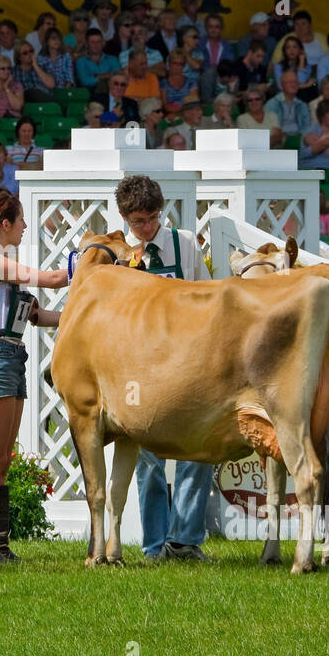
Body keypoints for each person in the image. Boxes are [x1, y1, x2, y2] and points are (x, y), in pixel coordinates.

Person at [115, 175, 214, 561]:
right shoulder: (118, 254)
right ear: (125, 218)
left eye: (154, 217)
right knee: (148, 460)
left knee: (199, 450)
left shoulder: (184, 242)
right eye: (139, 220)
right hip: (138, 366)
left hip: (186, 361)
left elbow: (206, 297)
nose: (149, 226)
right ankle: (155, 545)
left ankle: (185, 540)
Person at [0, 191, 66, 562]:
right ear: (5, 224)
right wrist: (87, 266)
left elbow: (40, 316)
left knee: (1, 458)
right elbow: (52, 279)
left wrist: (83, 316)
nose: (24, 226)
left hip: (10, 356)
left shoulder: (3, 264)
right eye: (20, 220)